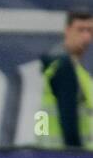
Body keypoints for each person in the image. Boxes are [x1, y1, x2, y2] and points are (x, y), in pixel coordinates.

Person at [37, 12, 93, 150]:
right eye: (80, 30)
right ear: (67, 30)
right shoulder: (64, 68)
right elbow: (69, 122)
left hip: (49, 157)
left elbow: (41, 117)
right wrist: (77, 156)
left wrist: (41, 144)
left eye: (90, 31)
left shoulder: (71, 71)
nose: (86, 37)